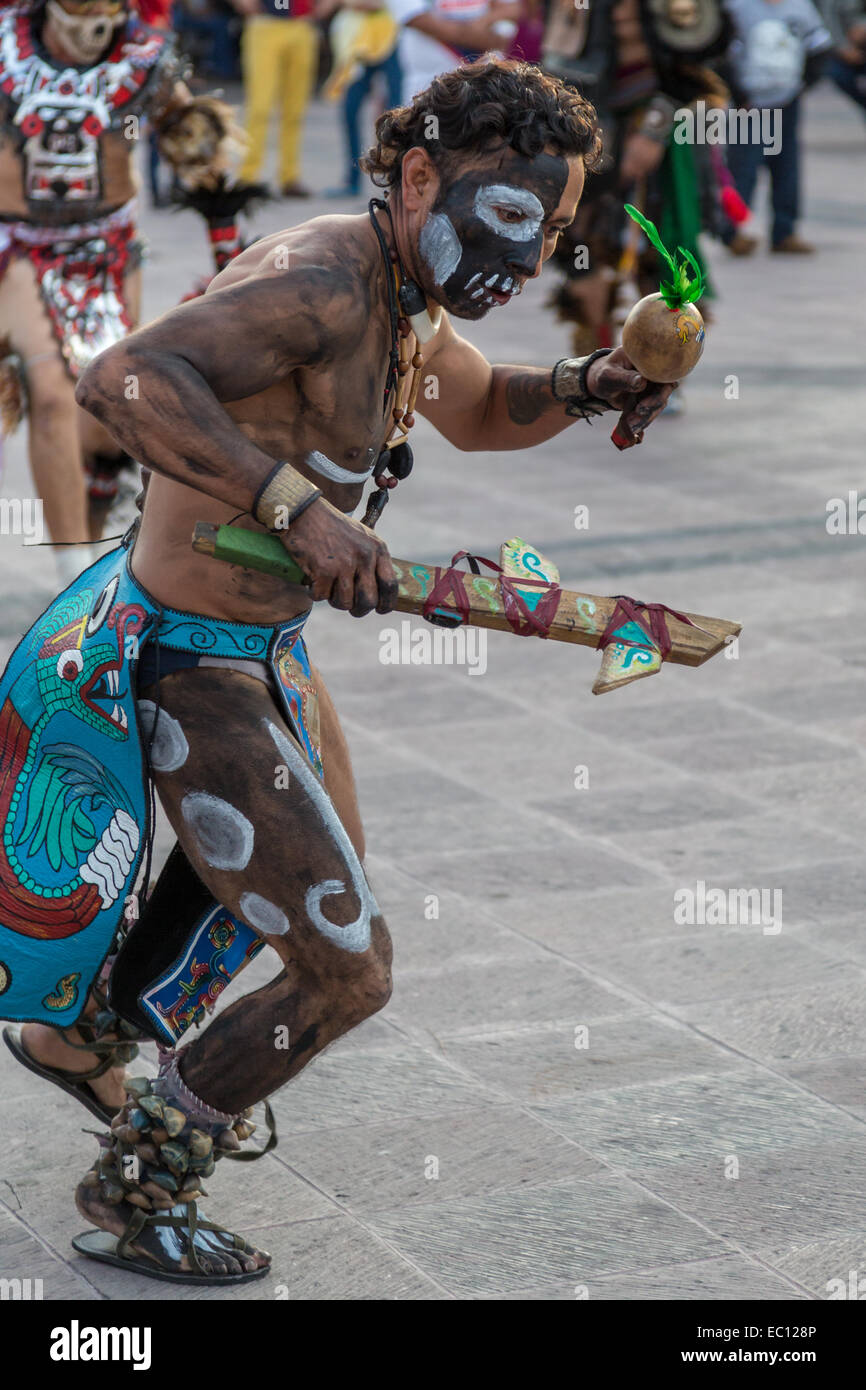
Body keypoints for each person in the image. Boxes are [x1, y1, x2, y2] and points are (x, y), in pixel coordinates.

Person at [0, 58, 676, 1284]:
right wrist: (298, 510)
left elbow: (475, 407)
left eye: (552, 232)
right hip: (181, 659)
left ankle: (83, 1032)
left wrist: (591, 384)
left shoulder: (402, 289)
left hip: (262, 652)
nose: (527, 263)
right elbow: (125, 377)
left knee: (299, 893)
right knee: (345, 964)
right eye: (513, 219)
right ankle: (140, 1179)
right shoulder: (320, 283)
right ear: (419, 175)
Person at [0, 0, 252, 582]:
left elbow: (196, 149)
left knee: (105, 414)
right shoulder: (7, 48)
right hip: (16, 252)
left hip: (107, 255)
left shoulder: (145, 60)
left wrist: (227, 248)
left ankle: (92, 539)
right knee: (54, 391)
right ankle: (72, 582)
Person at [542, 0, 732, 357]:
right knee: (581, 255)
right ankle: (593, 369)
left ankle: (662, 373)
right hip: (588, 130)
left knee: (659, 259)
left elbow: (695, 58)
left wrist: (653, 131)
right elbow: (558, 54)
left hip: (657, 139)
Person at [722, 0, 832, 253]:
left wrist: (801, 85)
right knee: (742, 168)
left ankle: (785, 231)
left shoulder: (801, 7)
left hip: (787, 102)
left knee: (787, 166)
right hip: (747, 104)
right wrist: (738, 94)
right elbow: (720, 53)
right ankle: (732, 232)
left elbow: (820, 48)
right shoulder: (737, 7)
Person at [233, 0, 318, 197]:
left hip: (301, 24)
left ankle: (290, 176)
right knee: (260, 107)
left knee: (295, 110)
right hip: (265, 23)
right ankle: (248, 176)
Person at [317, 0, 403, 197]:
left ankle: (398, 178)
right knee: (349, 108)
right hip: (358, 41)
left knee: (397, 113)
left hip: (390, 39)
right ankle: (353, 179)